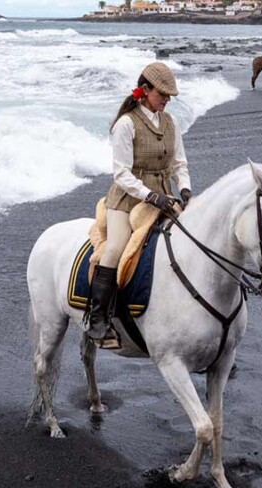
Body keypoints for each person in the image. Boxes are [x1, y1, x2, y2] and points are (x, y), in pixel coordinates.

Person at [88, 62, 191, 348]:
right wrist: (149, 195)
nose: (167, 100)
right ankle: (98, 319)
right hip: (127, 198)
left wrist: (185, 189)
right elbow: (121, 173)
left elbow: (179, 162)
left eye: (170, 96)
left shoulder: (171, 122)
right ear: (145, 90)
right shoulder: (126, 124)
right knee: (117, 248)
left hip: (163, 194)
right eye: (163, 94)